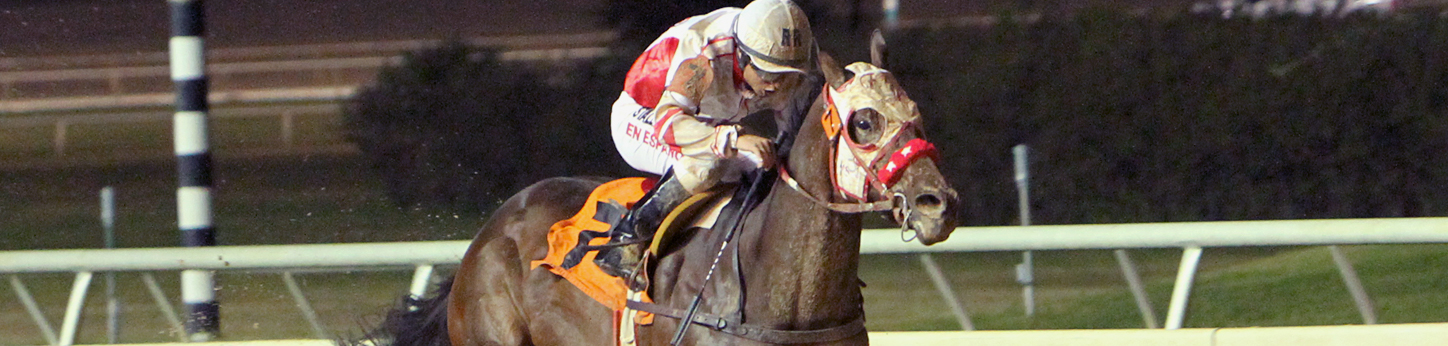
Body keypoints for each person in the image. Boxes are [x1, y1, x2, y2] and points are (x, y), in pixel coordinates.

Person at [596, 0, 817, 279]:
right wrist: (734, 137)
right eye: (767, 73)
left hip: (705, 120)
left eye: (786, 76)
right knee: (710, 163)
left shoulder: (788, 54)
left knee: (770, 166)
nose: (776, 85)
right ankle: (626, 240)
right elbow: (667, 125)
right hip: (648, 117)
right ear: (742, 56)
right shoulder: (704, 55)